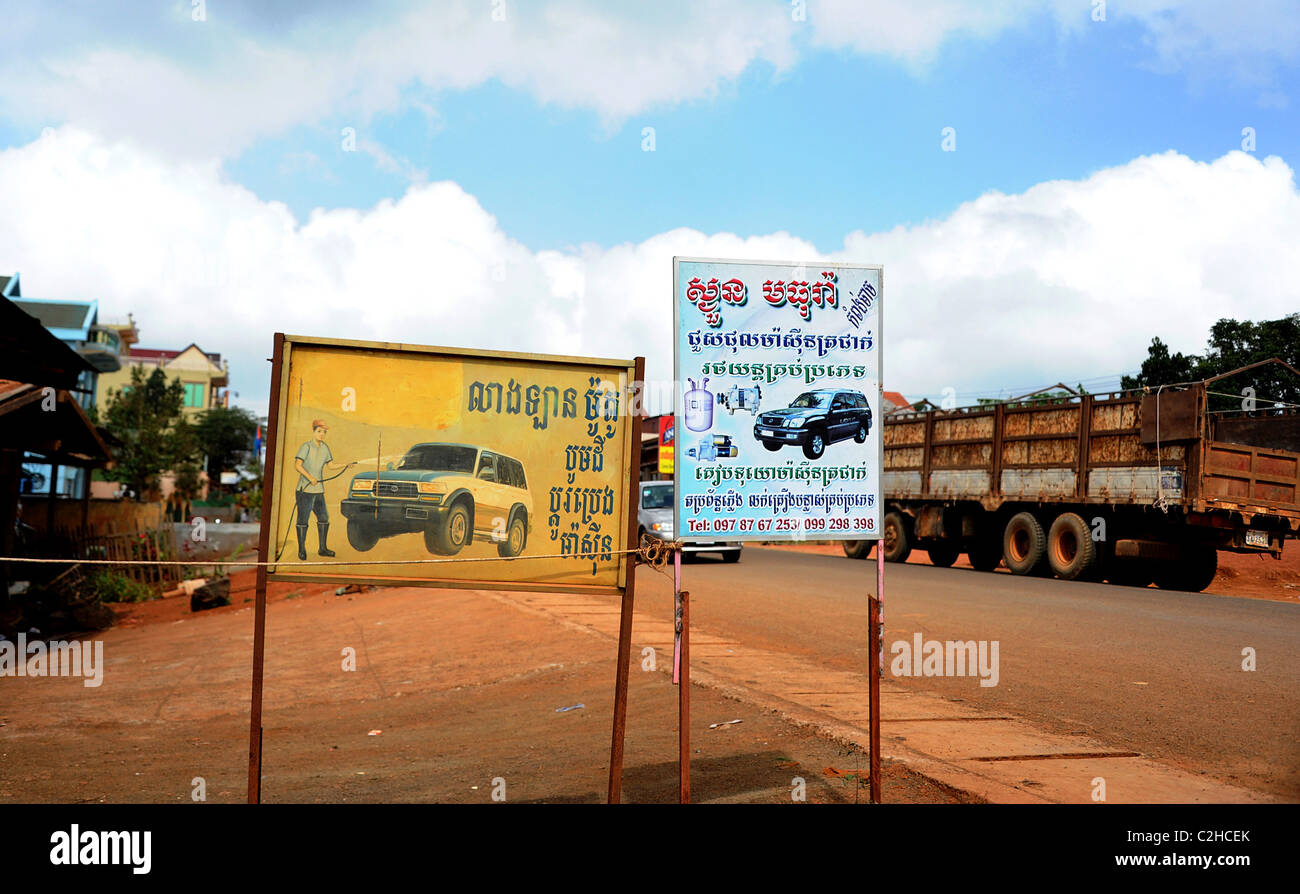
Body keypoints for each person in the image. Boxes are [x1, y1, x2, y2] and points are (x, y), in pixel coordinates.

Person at [293, 419, 336, 560]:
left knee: (323, 517)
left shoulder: (325, 448)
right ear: (313, 431)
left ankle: (322, 549)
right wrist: (310, 477)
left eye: (324, 432)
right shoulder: (306, 447)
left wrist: (346, 465)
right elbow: (298, 465)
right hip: (304, 491)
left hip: (318, 491)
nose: (322, 434)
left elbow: (331, 466)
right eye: (319, 431)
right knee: (303, 520)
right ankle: (301, 550)